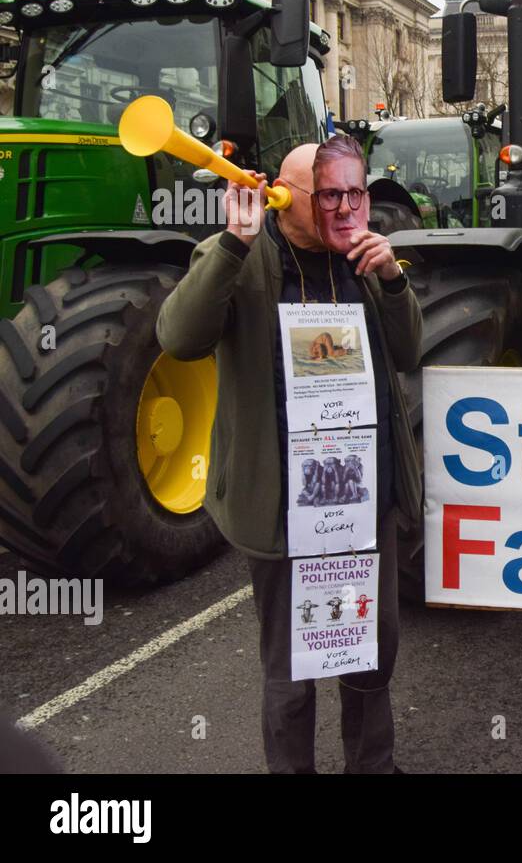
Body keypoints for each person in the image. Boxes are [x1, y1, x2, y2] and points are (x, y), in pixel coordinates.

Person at [157, 135, 423, 773]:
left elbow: (410, 353)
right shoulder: (240, 259)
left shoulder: (366, 260)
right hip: (283, 506)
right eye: (330, 195)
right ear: (283, 199)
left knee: (369, 650)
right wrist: (231, 245)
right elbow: (180, 336)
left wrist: (391, 280)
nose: (348, 209)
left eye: (356, 194)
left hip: (365, 500)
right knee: (292, 668)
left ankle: (373, 766)